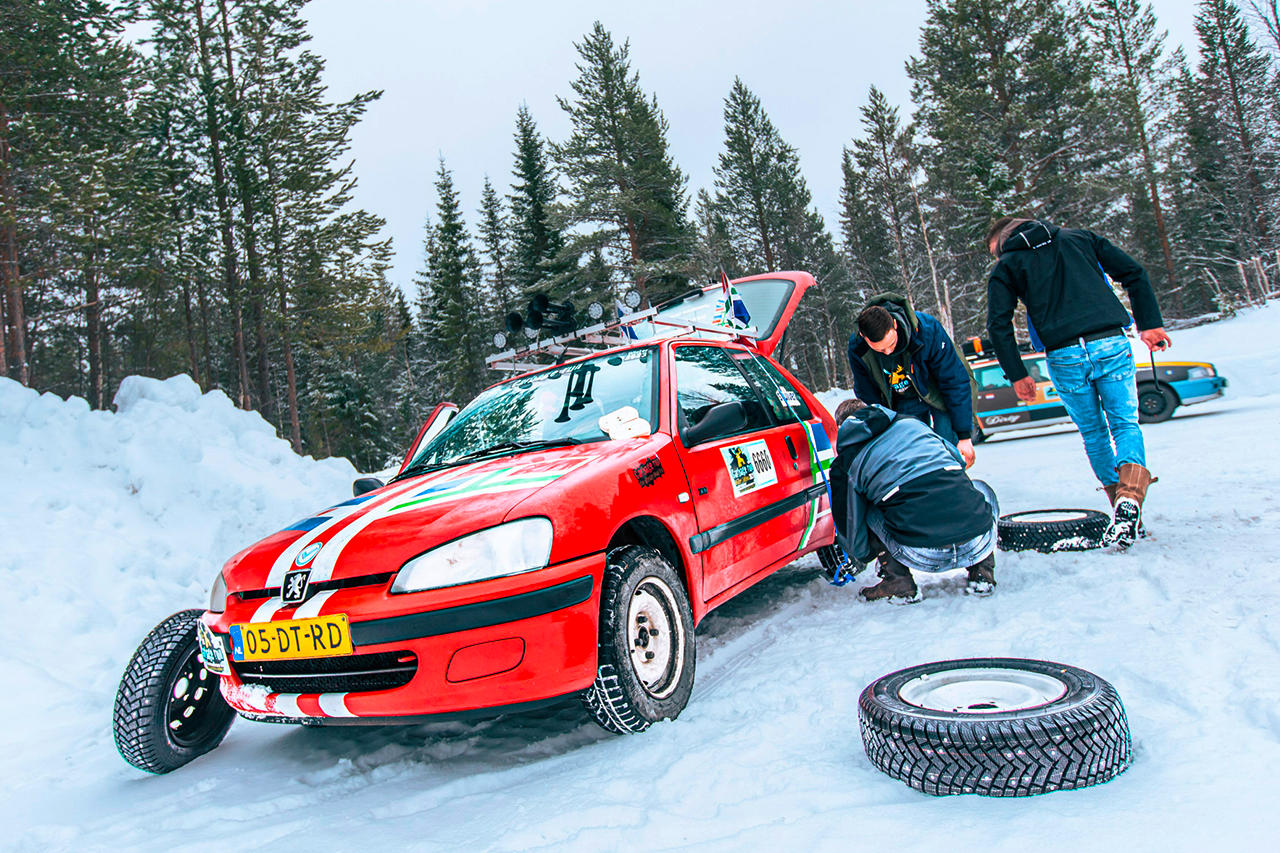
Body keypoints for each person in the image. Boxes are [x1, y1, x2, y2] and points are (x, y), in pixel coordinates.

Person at [985, 218, 1172, 549]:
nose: (997, 258)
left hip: (1064, 354)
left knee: (1095, 433)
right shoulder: (1081, 238)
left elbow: (999, 324)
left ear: (1005, 242)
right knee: (1125, 424)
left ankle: (1121, 507)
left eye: (995, 252)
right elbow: (1134, 272)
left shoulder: (1009, 264)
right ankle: (1130, 501)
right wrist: (1149, 324)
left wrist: (1017, 374)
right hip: (1110, 342)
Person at [829, 398, 999, 605]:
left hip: (920, 552)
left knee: (869, 507)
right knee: (979, 487)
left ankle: (897, 581)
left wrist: (864, 554)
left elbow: (849, 521)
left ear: (842, 428)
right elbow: (956, 461)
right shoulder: (913, 424)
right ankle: (982, 570)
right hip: (976, 541)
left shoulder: (846, 461)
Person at [847, 294, 978, 468]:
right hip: (904, 399)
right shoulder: (858, 348)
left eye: (891, 344)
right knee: (912, 455)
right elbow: (868, 394)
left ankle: (952, 484)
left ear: (894, 324)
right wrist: (884, 431)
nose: (887, 352)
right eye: (880, 349)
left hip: (941, 393)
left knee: (948, 453)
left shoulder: (927, 330)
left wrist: (964, 436)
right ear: (863, 336)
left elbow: (954, 381)